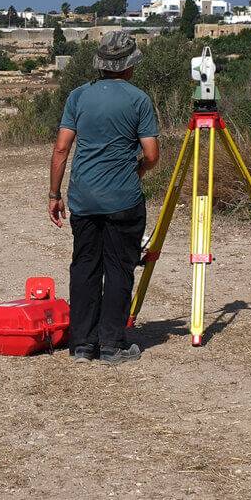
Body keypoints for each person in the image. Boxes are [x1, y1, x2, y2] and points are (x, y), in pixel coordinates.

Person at [48, 30, 160, 365]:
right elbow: (151, 154)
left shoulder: (78, 97)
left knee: (84, 266)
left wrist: (54, 194)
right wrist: (135, 173)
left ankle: (82, 344)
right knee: (119, 268)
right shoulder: (139, 100)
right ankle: (112, 345)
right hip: (123, 199)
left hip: (83, 198)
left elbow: (61, 148)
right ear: (129, 66)